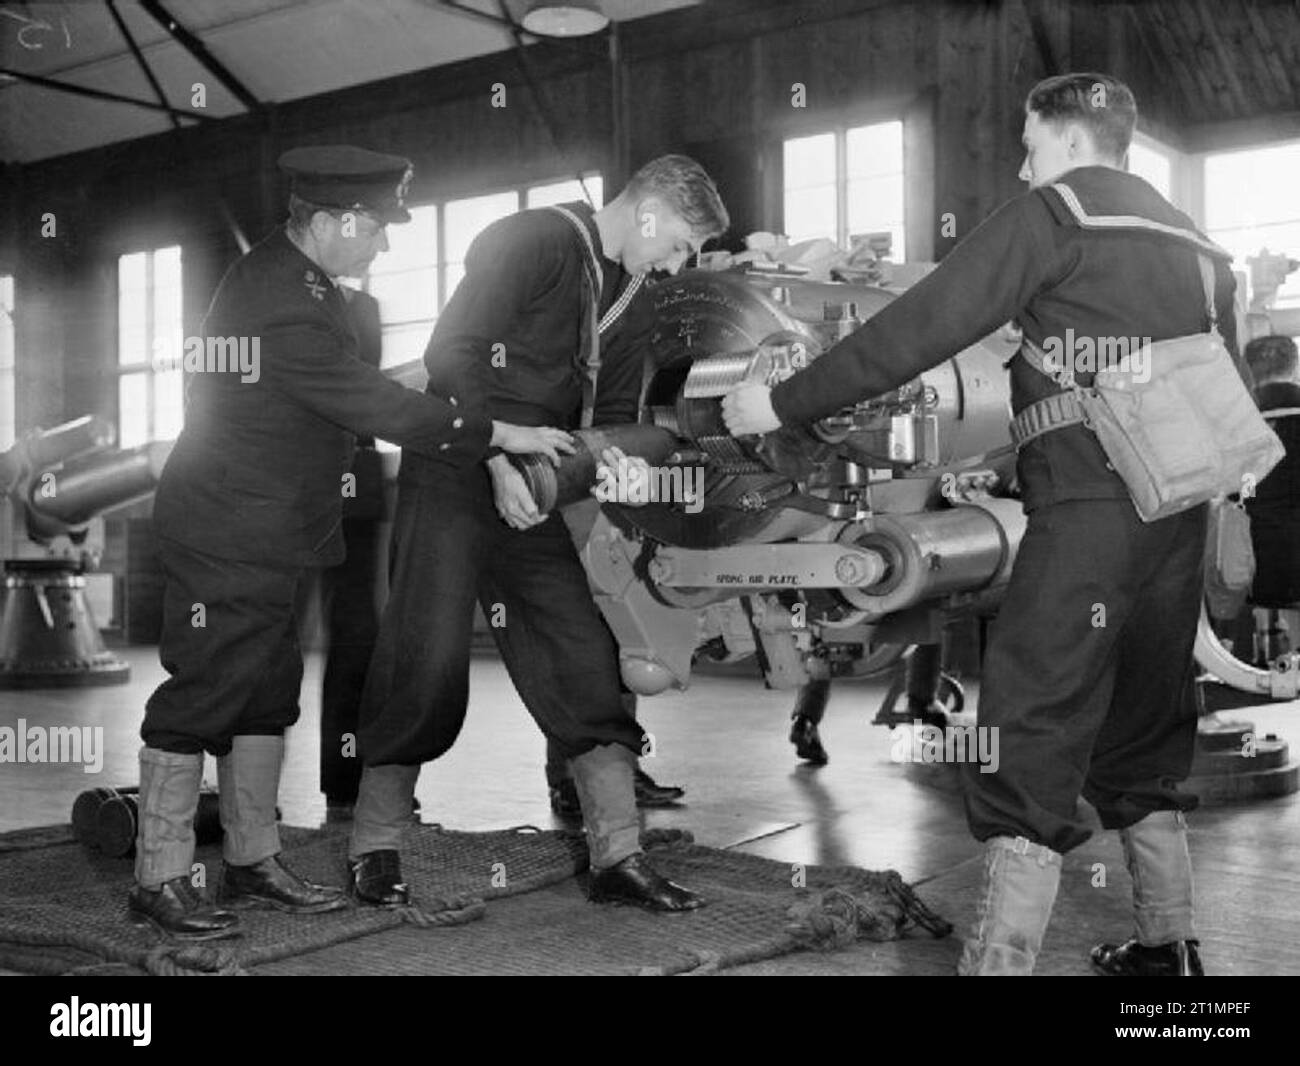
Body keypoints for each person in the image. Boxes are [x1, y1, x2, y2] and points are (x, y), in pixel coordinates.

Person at [723, 73, 1235, 976]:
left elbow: (919, 327)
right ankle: (1172, 953)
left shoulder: (1056, 215)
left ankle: (997, 967)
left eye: (1031, 143)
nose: (1023, 162)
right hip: (1177, 516)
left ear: (1071, 141)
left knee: (1027, 732)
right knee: (1146, 728)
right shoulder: (1199, 248)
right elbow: (1156, 395)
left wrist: (784, 404)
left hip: (1089, 520)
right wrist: (1009, 459)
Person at [131, 145, 569, 940]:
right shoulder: (280, 299)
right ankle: (158, 875)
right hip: (230, 525)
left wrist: (438, 378)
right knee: (204, 690)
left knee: (265, 691)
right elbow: (368, 403)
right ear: (331, 221)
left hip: (277, 524)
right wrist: (498, 428)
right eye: (375, 227)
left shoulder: (308, 281)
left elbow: (347, 386)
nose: (383, 244)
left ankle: (252, 858)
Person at [348, 156, 728, 913]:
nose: (677, 264)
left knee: (583, 652)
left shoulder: (632, 299)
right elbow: (451, 353)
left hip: (542, 487)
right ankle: (374, 844)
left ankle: (618, 855)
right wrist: (495, 454)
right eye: (681, 243)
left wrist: (613, 470)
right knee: (422, 655)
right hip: (457, 466)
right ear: (649, 207)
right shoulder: (535, 240)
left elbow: (612, 414)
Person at [317, 286, 384, 816]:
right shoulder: (273, 299)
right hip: (285, 481)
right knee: (265, 637)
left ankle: (348, 775)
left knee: (358, 635)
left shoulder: (364, 308)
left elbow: (368, 392)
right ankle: (243, 797)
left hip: (354, 479)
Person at [1243, 335, 1300, 610]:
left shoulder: (1240, 421)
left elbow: (1241, 491)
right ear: (1294, 366)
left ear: (1248, 370)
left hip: (1259, 549)